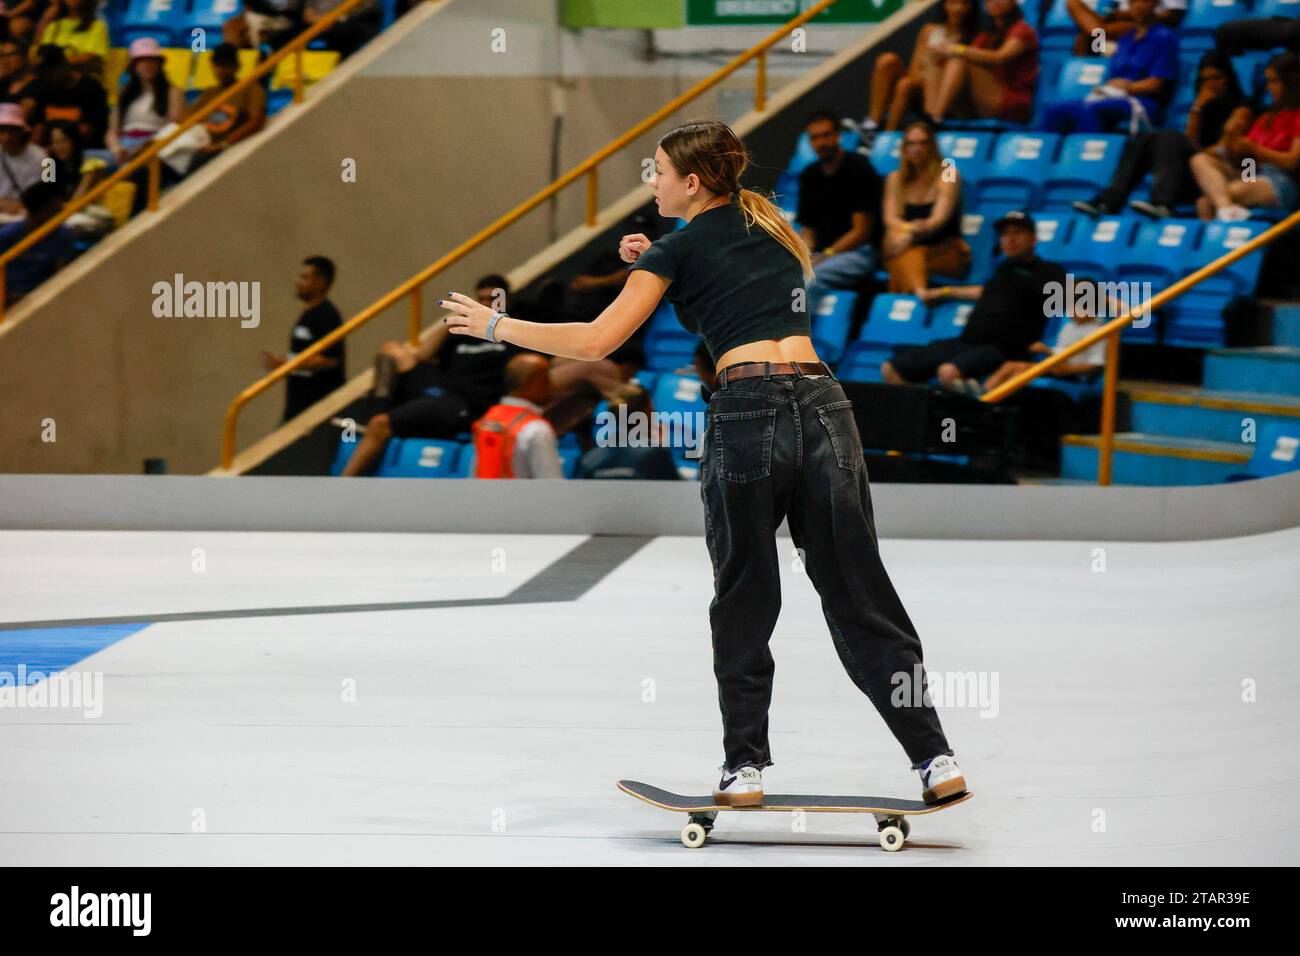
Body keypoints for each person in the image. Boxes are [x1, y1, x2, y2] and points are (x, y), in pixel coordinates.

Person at [439, 119, 965, 807]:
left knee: (746, 596)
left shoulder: (678, 252)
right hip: (826, 406)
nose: (649, 180)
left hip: (748, 411)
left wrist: (497, 326)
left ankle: (743, 769)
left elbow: (599, 341)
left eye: (656, 170)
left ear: (691, 181)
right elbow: (726, 272)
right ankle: (936, 759)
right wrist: (658, 253)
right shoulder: (774, 230)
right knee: (861, 592)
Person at [342, 275, 520, 477]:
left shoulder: (513, 335)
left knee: (380, 424)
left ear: (507, 302)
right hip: (438, 390)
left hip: (462, 404)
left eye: (492, 299)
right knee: (391, 349)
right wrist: (451, 322)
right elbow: (423, 356)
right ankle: (376, 412)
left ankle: (342, 484)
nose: (486, 304)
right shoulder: (463, 333)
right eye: (481, 300)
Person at [882, 210, 1065, 393]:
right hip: (965, 343)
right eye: (1005, 234)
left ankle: (955, 416)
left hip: (1004, 349)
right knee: (890, 369)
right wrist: (944, 292)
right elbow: (982, 291)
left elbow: (1070, 300)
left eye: (1017, 233)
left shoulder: (1048, 271)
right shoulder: (1003, 269)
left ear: (1033, 239)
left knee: (948, 372)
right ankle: (919, 411)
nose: (1010, 239)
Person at [1074, 49, 1246, 219]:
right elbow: (1191, 142)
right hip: (1196, 174)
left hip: (1222, 176)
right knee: (1145, 138)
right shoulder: (1203, 109)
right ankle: (1109, 201)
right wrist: (1197, 109)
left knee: (1170, 139)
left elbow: (1227, 149)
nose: (1211, 85)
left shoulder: (1242, 107)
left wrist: (1199, 156)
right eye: (1205, 80)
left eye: (1217, 78)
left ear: (1228, 78)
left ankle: (1163, 203)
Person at [1189, 52, 1300, 222]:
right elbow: (1248, 161)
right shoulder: (1266, 118)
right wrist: (1231, 138)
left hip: (1285, 181)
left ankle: (1226, 214)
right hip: (1254, 173)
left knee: (1212, 200)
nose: (1270, 87)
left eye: (1275, 81)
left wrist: (1255, 149)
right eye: (1268, 81)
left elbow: (1293, 162)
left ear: (1291, 81)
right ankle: (1227, 215)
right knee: (1199, 161)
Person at [1042, 0, 1178, 134]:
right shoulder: (1126, 38)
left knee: (1089, 109)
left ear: (1155, 3)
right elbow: (1099, 43)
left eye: (1143, 1)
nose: (1138, 6)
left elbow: (1156, 85)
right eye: (1133, 2)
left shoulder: (1164, 38)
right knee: (1054, 109)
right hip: (1112, 90)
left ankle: (1093, 150)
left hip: (1141, 101)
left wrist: (1128, 87)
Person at [796, 109, 883, 309]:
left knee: (808, 282)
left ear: (838, 136)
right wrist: (804, 258)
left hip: (859, 253)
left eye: (826, 135)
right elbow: (808, 231)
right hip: (822, 254)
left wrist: (824, 257)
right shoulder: (809, 176)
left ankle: (794, 336)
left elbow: (861, 232)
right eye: (815, 138)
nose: (821, 143)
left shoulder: (859, 168)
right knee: (782, 277)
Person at [881, 120, 970, 295]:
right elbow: (890, 218)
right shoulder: (895, 178)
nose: (917, 148)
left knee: (901, 257)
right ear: (904, 149)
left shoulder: (949, 171)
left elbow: (938, 219)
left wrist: (908, 235)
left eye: (923, 143)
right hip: (907, 245)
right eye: (911, 143)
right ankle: (921, 294)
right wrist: (909, 232)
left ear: (933, 146)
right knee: (899, 250)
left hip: (945, 248)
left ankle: (914, 294)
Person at [866, 0, 981, 132]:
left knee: (905, 85)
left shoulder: (973, 37)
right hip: (921, 84)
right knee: (887, 61)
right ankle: (872, 124)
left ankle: (889, 134)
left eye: (964, 3)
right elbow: (915, 71)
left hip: (950, 96)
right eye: (953, 2)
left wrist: (950, 52)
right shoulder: (929, 30)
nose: (958, 9)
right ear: (944, 4)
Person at [260, 256, 345, 421]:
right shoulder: (307, 315)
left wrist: (287, 364)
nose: (298, 282)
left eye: (305, 277)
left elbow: (329, 360)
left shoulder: (328, 316)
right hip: (296, 408)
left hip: (316, 411)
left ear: (321, 282)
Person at [930, 0, 1040, 125]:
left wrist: (956, 48)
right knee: (942, 63)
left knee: (959, 58)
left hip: (1013, 102)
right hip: (984, 98)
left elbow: (999, 58)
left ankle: (935, 118)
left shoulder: (1023, 30)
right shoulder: (986, 34)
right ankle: (933, 114)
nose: (994, 2)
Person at [468, 353, 563, 480]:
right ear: (532, 382)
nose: (551, 385)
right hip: (523, 499)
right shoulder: (536, 429)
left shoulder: (486, 420)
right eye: (546, 379)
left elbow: (474, 476)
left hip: (485, 498)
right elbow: (551, 484)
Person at [578, 382, 682, 480]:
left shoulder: (589, 459)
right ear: (647, 412)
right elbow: (678, 492)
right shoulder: (656, 455)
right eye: (653, 410)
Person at [186, 42, 267, 166]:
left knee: (197, 160)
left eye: (225, 65)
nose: (220, 70)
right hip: (202, 143)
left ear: (236, 66)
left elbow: (257, 122)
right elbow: (189, 120)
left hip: (230, 147)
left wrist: (224, 143)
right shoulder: (210, 92)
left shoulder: (251, 89)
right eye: (217, 65)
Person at [106, 38, 185, 164]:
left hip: (154, 146)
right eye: (142, 61)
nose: (148, 65)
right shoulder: (124, 94)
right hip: (124, 146)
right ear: (134, 66)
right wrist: (117, 149)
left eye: (152, 61)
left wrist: (146, 147)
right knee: (89, 159)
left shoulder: (172, 91)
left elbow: (175, 126)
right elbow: (112, 132)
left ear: (159, 64)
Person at [0, 179, 75, 302]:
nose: (61, 215)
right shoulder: (7, 236)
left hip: (41, 300)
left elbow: (61, 275)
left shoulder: (64, 236)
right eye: (55, 210)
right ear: (39, 211)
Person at [30, 43, 107, 148]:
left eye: (50, 72)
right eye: (43, 73)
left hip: (83, 151)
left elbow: (89, 131)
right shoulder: (43, 87)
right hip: (50, 151)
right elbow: (38, 126)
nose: (46, 77)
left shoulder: (90, 87)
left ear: (63, 65)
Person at [1065, 0, 1185, 56]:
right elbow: (1110, 8)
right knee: (1073, 3)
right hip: (1114, 23)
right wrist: (1112, 14)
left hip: (1146, 25)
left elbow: (1173, 17)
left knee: (1086, 36)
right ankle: (1100, 39)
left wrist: (1128, 14)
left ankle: (1100, 40)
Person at [35, 0, 107, 78]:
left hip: (81, 78)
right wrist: (45, 20)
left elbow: (92, 57)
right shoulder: (54, 26)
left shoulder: (97, 26)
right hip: (53, 78)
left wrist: (62, 62)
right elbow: (41, 53)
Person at [0, 101, 46, 219]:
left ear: (21, 131)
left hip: (29, 216)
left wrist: (22, 205)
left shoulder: (46, 158)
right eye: (2, 131)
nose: (6, 137)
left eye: (11, 130)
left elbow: (52, 190)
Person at [0, 38, 39, 122]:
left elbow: (20, 119)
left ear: (24, 57)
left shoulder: (36, 85)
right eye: (2, 56)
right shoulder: (4, 83)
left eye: (9, 55)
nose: (4, 60)